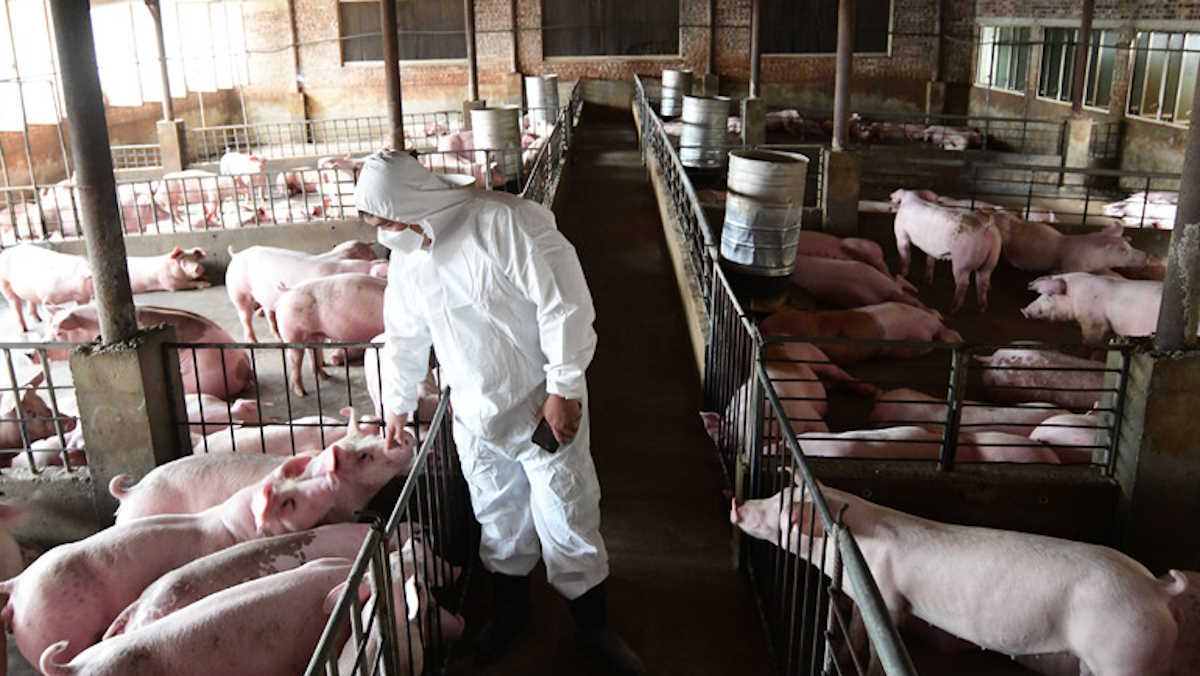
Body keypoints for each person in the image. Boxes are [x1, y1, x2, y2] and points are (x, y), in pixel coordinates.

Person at [355, 150, 644, 675]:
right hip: (475, 414)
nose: (383, 235)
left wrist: (565, 386)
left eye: (385, 221)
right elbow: (403, 334)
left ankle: (594, 626)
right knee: (498, 516)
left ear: (410, 202)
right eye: (376, 226)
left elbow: (564, 303)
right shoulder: (409, 259)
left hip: (539, 406)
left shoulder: (502, 222)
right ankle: (511, 615)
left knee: (567, 511)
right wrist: (396, 404)